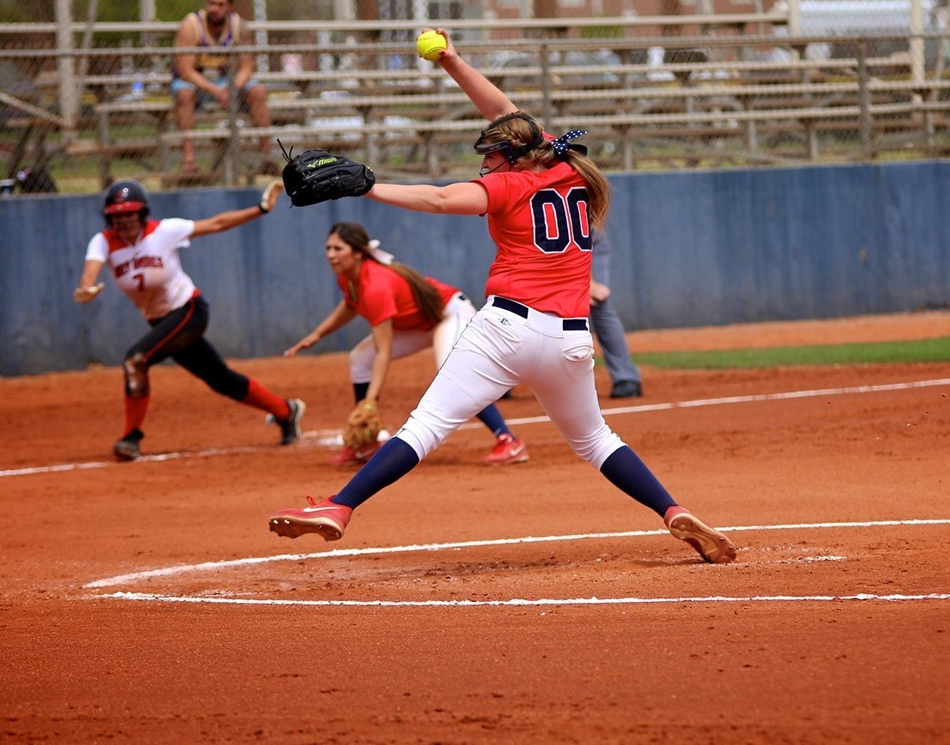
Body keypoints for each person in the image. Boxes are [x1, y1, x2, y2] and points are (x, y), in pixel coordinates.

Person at [269, 29, 736, 564]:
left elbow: (442, 199)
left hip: (507, 329)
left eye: (492, 154)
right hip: (569, 341)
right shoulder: (568, 171)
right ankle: (672, 511)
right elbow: (510, 117)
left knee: (426, 426)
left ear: (513, 159)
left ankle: (340, 506)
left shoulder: (511, 184)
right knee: (596, 441)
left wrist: (366, 185)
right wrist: (452, 61)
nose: (485, 162)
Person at [74, 178, 304, 461]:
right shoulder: (104, 242)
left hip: (189, 311)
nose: (124, 220)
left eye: (130, 213)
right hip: (161, 323)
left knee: (136, 360)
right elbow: (90, 271)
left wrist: (260, 209)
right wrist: (86, 288)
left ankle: (131, 437)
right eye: (117, 215)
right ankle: (285, 410)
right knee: (220, 378)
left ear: (142, 213)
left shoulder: (164, 231)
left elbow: (216, 223)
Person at [283, 221, 528, 467]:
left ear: (358, 252)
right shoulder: (348, 276)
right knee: (360, 359)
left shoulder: (375, 286)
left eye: (338, 249)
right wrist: (318, 334)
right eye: (328, 248)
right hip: (422, 324)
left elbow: (384, 351)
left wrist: (369, 402)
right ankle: (365, 445)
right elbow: (351, 303)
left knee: (453, 370)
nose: (331, 255)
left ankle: (508, 440)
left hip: (449, 314)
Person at [171, 0, 272, 174]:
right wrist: (214, 90)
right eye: (211, 3)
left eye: (220, 5)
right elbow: (185, 70)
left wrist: (231, 88)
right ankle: (189, 160)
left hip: (227, 82)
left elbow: (246, 67)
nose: (214, 9)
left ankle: (267, 158)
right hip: (195, 82)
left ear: (229, 7)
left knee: (258, 91)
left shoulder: (239, 27)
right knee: (184, 94)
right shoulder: (191, 25)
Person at [589, 228, 643, 398]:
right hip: (524, 245)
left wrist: (586, 281)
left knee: (598, 302)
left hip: (580, 237)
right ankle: (506, 377)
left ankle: (626, 377)